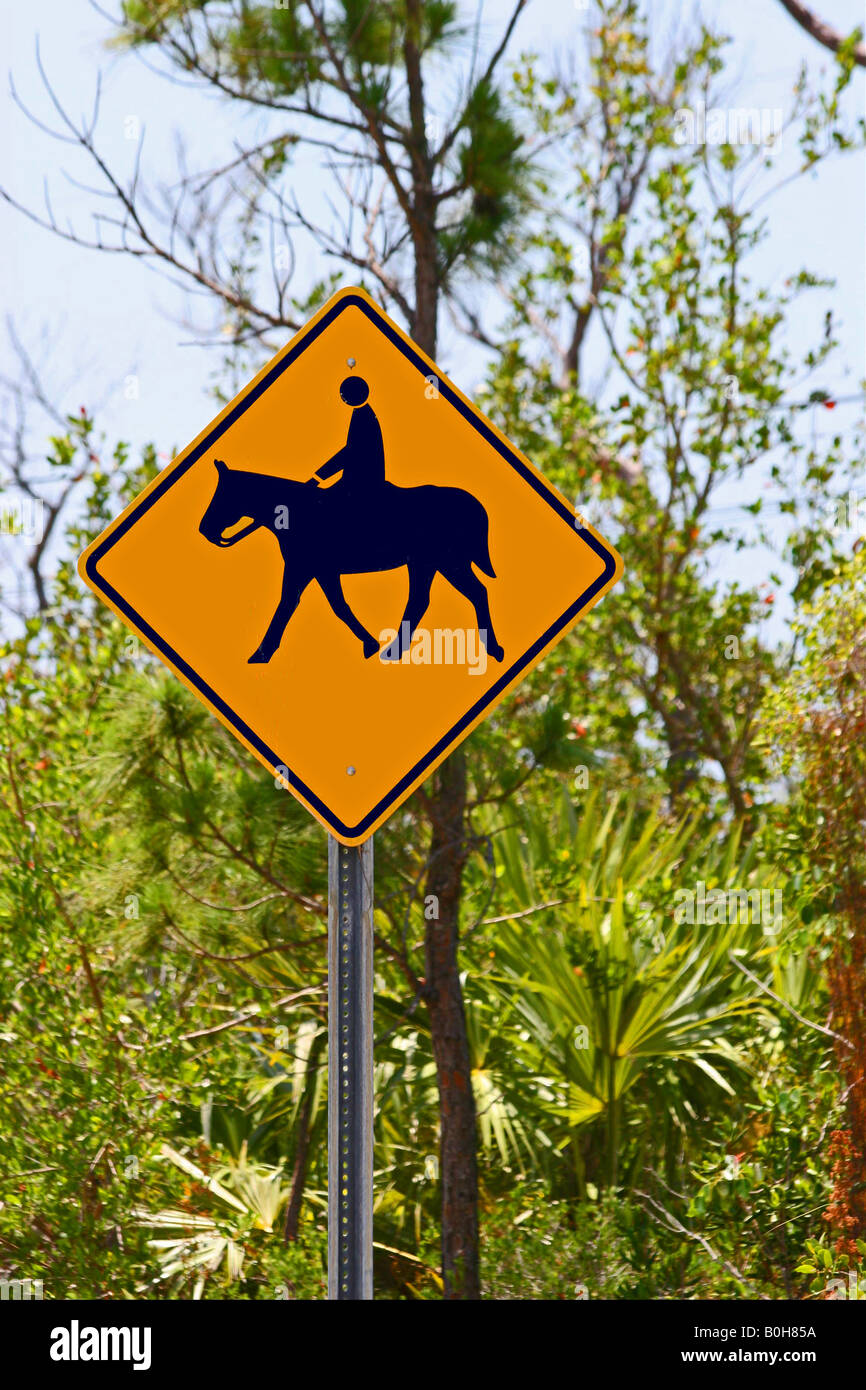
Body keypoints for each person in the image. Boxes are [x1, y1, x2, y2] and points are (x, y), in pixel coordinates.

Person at [310, 376, 385, 493]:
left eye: (344, 393)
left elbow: (350, 452)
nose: (342, 397)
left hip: (360, 482)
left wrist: (318, 477)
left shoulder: (363, 416)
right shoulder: (362, 412)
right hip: (358, 478)